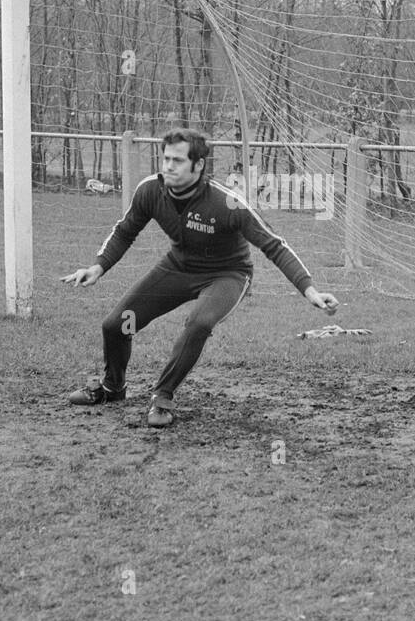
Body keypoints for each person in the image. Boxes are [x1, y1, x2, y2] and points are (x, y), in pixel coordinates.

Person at [61, 128, 339, 427]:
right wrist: (98, 267)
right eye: (166, 158)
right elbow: (126, 230)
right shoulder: (150, 191)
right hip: (178, 270)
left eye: (178, 160)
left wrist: (309, 290)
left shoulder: (226, 203)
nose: (168, 166)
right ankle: (112, 388)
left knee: (199, 324)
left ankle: (163, 397)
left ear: (198, 165)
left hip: (227, 275)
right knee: (119, 325)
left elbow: (274, 245)